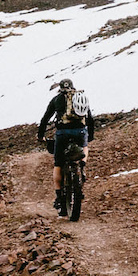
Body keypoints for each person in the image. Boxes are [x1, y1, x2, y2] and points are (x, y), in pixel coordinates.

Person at [38, 78, 95, 213]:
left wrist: (40, 135)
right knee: (85, 146)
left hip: (62, 134)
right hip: (80, 132)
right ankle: (82, 164)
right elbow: (90, 119)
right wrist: (90, 136)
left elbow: (45, 118)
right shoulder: (79, 98)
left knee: (58, 164)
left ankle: (59, 198)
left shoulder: (56, 100)